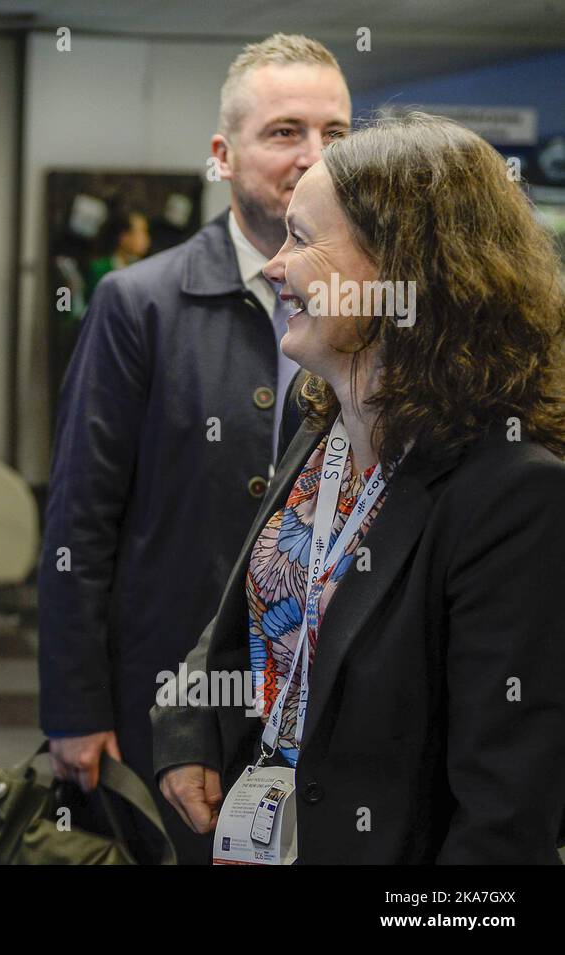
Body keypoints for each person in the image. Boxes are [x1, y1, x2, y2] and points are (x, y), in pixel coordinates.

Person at [152, 112, 565, 863]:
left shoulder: (514, 496)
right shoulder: (321, 425)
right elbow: (247, 615)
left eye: (303, 240)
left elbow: (505, 817)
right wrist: (186, 726)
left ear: (405, 268)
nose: (275, 266)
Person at [38, 34, 350, 863]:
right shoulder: (140, 302)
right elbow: (80, 517)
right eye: (285, 131)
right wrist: (73, 704)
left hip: (325, 695)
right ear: (223, 154)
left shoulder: (375, 306)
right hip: (169, 692)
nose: (315, 157)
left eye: (337, 135)